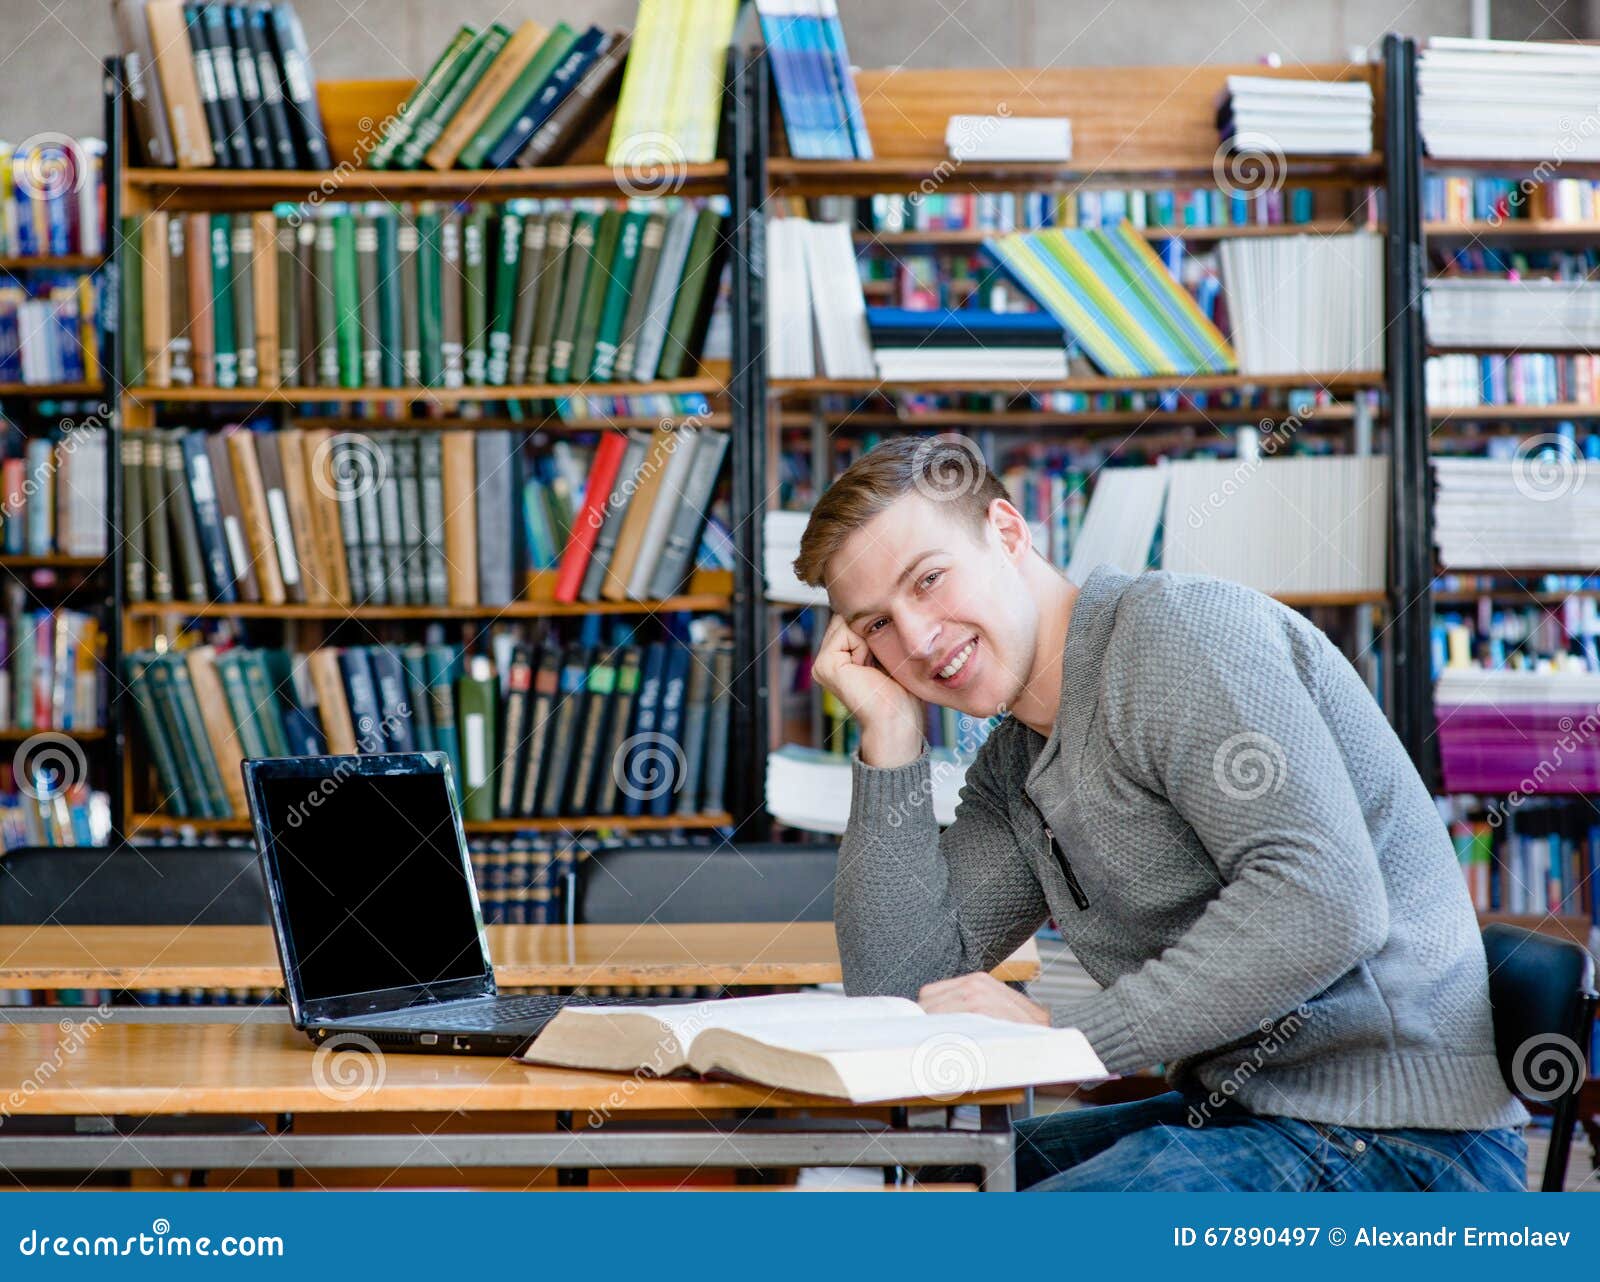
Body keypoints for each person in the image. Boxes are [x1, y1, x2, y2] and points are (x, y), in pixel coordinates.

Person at [795, 436, 1528, 1192]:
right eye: (876, 624)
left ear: (1008, 533)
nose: (916, 640)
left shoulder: (1176, 634)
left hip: (1400, 1139)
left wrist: (1069, 1037)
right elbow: (900, 988)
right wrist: (891, 737)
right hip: (1244, 1114)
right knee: (931, 1187)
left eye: (929, 580)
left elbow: (1326, 902)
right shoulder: (1017, 764)